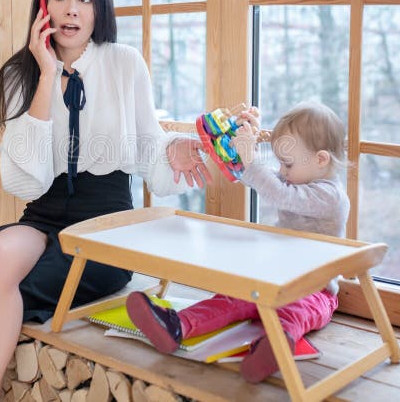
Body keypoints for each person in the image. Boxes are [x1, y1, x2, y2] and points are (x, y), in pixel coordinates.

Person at [0, 0, 212, 401]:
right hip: (43, 213)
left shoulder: (125, 63)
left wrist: (175, 152)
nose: (72, 10)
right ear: (43, 7)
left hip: (105, 226)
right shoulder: (20, 73)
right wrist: (47, 76)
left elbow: (150, 145)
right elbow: (24, 183)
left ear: (99, 8)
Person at [126, 101, 350, 383]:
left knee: (296, 313)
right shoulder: (299, 180)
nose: (281, 171)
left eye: (288, 164)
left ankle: (275, 346)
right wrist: (239, 153)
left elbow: (279, 194)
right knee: (230, 300)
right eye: (280, 163)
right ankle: (177, 325)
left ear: (320, 160)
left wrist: (252, 162)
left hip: (315, 290)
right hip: (275, 281)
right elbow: (263, 181)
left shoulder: (330, 197)